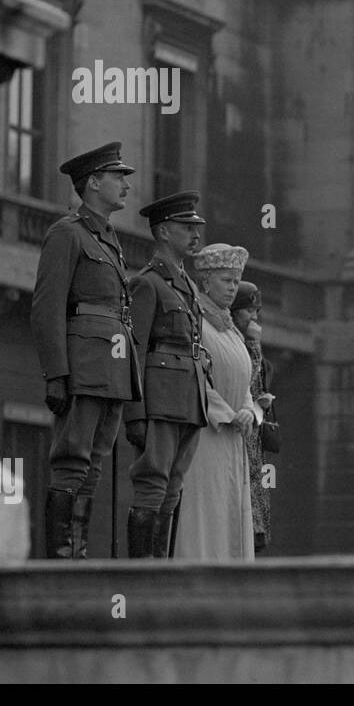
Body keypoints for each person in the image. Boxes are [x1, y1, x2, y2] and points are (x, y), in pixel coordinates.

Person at [30, 142, 142, 559]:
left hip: (109, 368)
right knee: (72, 460)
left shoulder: (107, 238)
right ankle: (59, 558)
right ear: (93, 182)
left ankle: (76, 555)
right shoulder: (67, 233)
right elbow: (47, 307)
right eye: (118, 177)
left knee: (93, 465)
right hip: (83, 366)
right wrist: (56, 373)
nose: (126, 186)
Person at [124, 191, 210, 558]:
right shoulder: (148, 283)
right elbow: (134, 352)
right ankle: (141, 574)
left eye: (196, 227)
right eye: (185, 227)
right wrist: (135, 414)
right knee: (152, 485)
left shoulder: (187, 286)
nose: (195, 234)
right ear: (162, 232)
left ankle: (161, 571)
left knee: (173, 487)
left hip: (189, 400)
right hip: (159, 401)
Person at [175, 244, 259, 560]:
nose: (233, 288)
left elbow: (244, 380)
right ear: (207, 282)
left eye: (236, 281)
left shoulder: (232, 330)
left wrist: (249, 410)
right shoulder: (197, 322)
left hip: (234, 438)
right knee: (206, 513)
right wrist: (226, 413)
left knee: (231, 512)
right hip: (206, 433)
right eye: (227, 280)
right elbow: (194, 375)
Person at [230, 281, 276, 554]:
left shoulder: (253, 348)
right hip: (237, 430)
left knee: (256, 495)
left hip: (254, 436)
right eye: (248, 310)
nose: (254, 317)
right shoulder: (235, 345)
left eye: (256, 310)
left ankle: (255, 540)